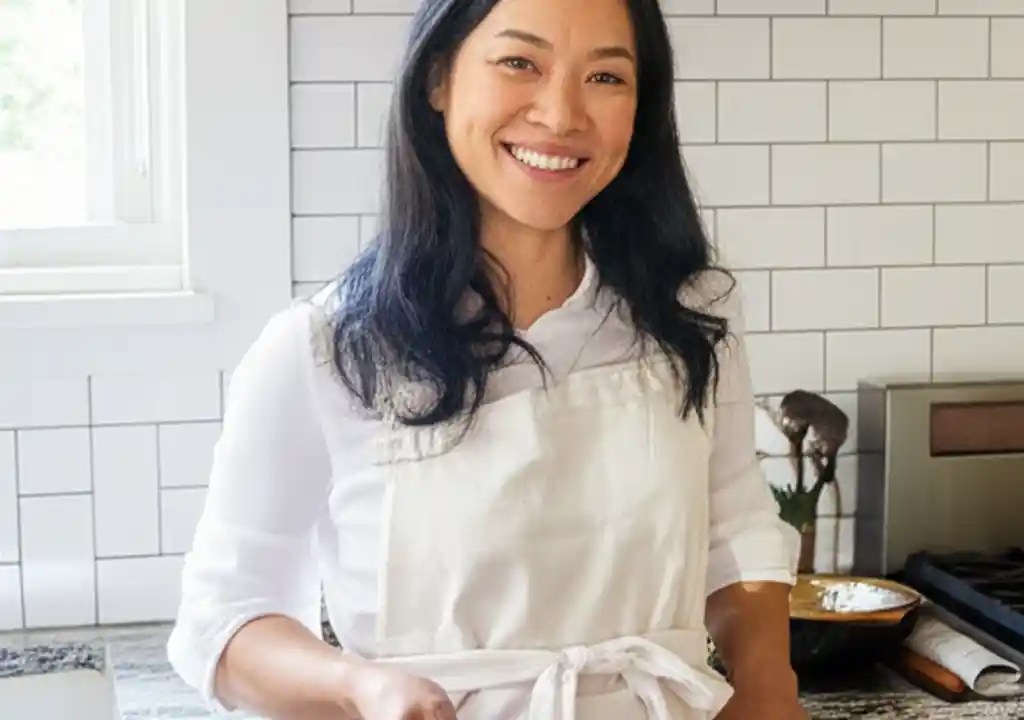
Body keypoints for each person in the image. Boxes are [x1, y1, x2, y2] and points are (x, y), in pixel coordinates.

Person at [166, 0, 805, 717]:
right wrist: (362, 687)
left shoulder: (694, 315)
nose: (562, 115)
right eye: (519, 63)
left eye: (606, 76)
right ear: (438, 78)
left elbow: (737, 528)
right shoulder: (323, 349)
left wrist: (768, 685)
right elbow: (221, 621)